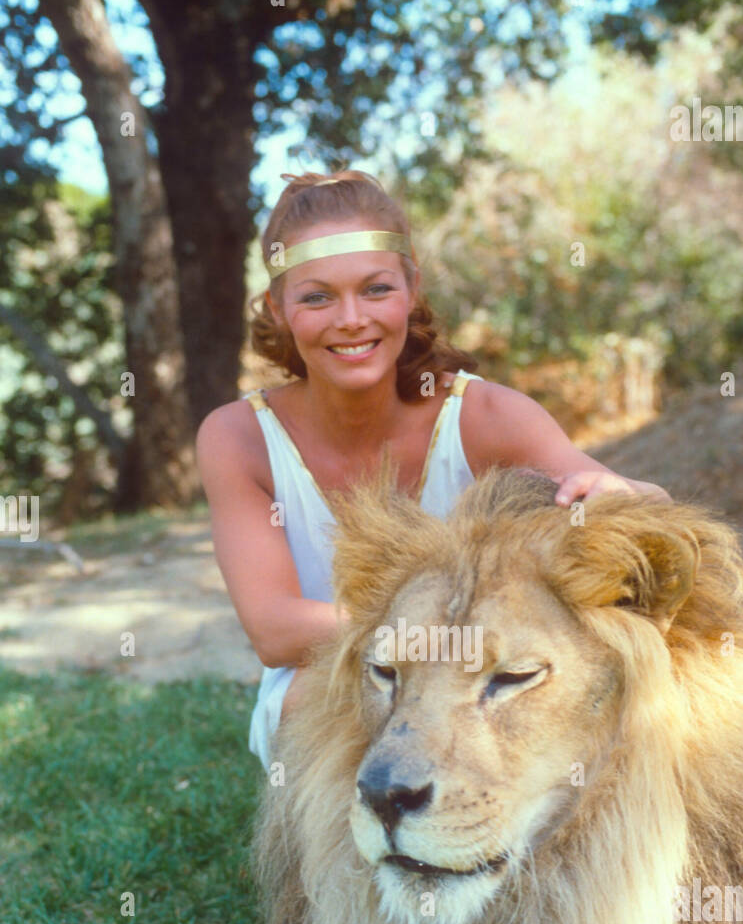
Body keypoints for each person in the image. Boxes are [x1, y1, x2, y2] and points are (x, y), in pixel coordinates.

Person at [197, 169, 670, 771]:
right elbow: (275, 630)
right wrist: (439, 642)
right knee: (310, 698)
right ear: (279, 308)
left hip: (486, 671)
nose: (350, 320)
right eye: (317, 297)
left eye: (375, 289)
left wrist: (621, 492)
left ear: (413, 288)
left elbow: (649, 511)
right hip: (338, 671)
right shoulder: (237, 437)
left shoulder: (485, 415)